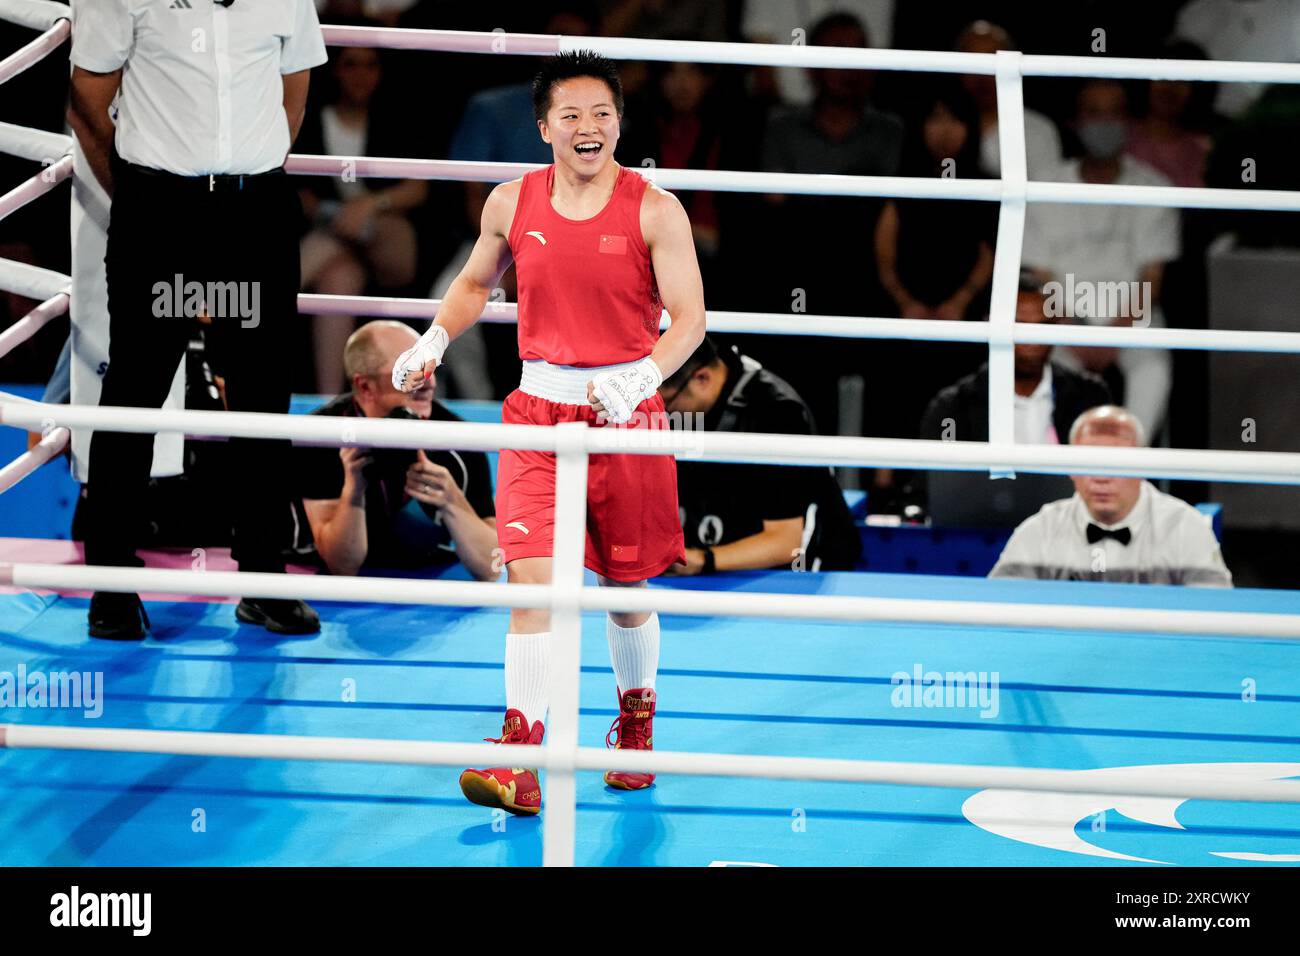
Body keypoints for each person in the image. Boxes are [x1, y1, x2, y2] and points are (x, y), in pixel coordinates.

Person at [391, 51, 706, 813]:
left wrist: (641, 374)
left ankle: (635, 729)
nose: (588, 127)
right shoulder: (509, 202)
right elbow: (473, 283)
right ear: (543, 128)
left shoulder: (656, 209)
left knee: (626, 588)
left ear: (620, 123)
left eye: (602, 113)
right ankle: (521, 754)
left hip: (625, 417)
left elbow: (691, 320)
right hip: (537, 413)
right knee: (530, 579)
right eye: (571, 115)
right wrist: (432, 340)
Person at [68, 0, 327, 640]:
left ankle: (263, 580)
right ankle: (112, 585)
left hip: (252, 216)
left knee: (262, 395)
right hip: (159, 216)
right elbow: (86, 101)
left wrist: (238, 179)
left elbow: (292, 98)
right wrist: (141, 192)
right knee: (136, 390)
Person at [1022, 79, 1180, 440]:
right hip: (1061, 318)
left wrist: (1110, 337)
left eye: (1114, 113)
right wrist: (1078, 334)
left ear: (1129, 121)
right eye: (1094, 113)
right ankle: (1057, 473)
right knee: (1034, 369)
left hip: (1133, 318)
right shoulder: (1044, 187)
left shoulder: (1155, 189)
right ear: (1076, 122)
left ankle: (1128, 464)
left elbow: (1151, 279)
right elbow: (1041, 276)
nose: (1104, 123)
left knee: (1153, 371)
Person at [297, 321, 497, 578]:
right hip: (339, 606)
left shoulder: (460, 442)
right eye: (409, 370)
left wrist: (451, 499)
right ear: (365, 387)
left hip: (426, 604)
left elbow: (492, 566)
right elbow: (343, 566)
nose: (427, 381)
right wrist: (353, 492)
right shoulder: (321, 439)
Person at [296, 36, 431, 394]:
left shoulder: (397, 117)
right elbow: (299, 191)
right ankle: (329, 400)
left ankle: (271, 292)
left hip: (389, 246)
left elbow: (418, 187)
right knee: (339, 281)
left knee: (342, 240)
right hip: (335, 236)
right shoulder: (311, 117)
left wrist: (368, 206)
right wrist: (337, 213)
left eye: (370, 65)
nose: (360, 75)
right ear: (335, 70)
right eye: (350, 64)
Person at [658, 337, 861, 574]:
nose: (663, 413)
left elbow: (785, 542)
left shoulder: (778, 414)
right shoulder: (694, 398)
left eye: (668, 403)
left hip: (801, 567)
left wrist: (703, 561)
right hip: (716, 551)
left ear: (702, 379)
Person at [989, 406, 1232, 586]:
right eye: (1090, 463)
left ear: (1143, 466)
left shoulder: (1184, 527)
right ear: (1070, 468)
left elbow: (1216, 612)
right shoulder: (1041, 529)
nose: (1101, 478)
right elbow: (1000, 607)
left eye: (1115, 463)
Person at [955, 21, 1063, 180]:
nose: (981, 77)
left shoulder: (1038, 129)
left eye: (992, 63)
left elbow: (1044, 200)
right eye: (974, 63)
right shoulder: (940, 126)